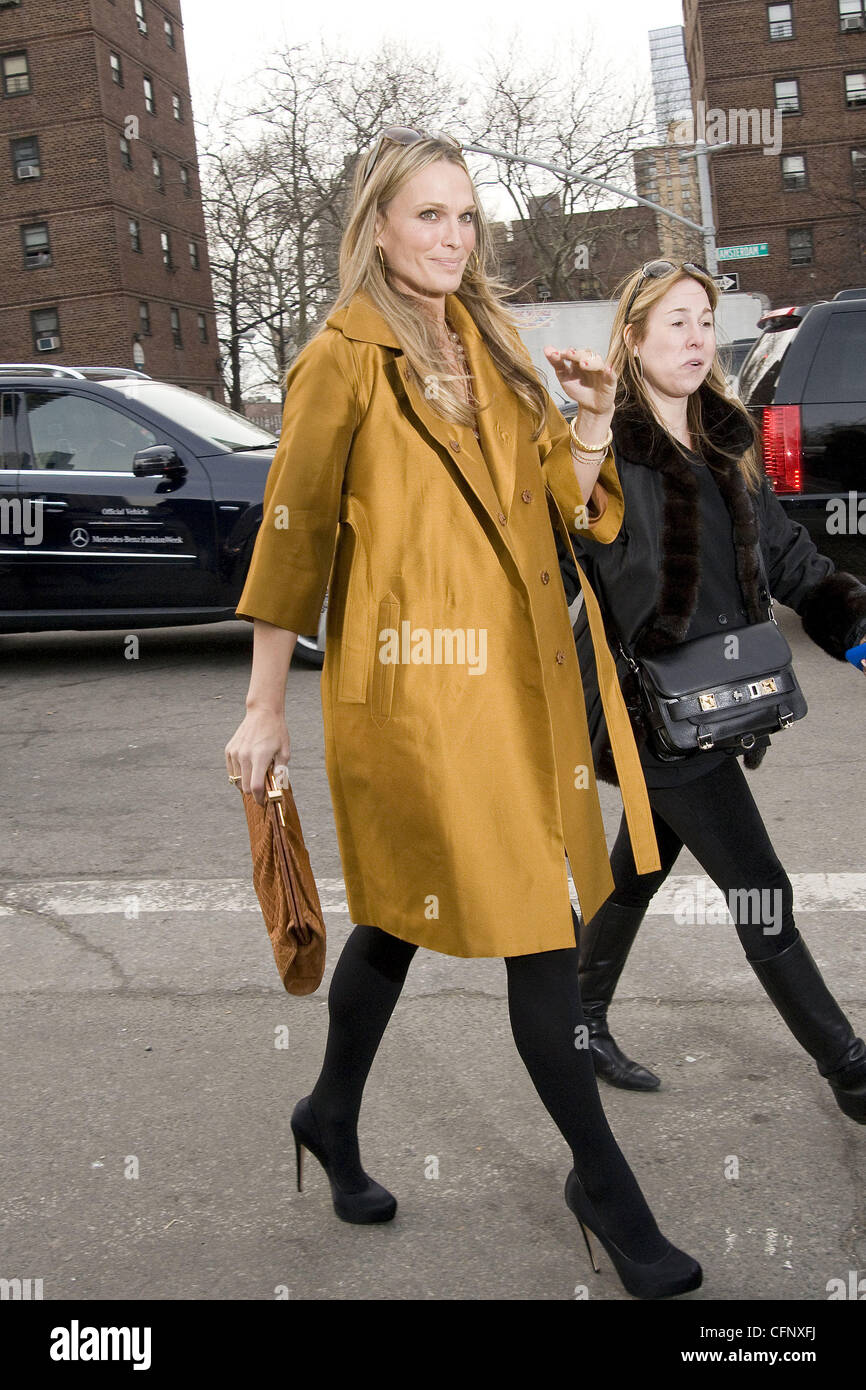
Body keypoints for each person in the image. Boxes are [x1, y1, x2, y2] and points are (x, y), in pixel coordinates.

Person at [225, 130, 702, 1299]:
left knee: (394, 918)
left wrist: (587, 420)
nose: (451, 238)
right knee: (537, 926)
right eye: (426, 215)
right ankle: (605, 1191)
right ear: (377, 226)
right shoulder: (340, 358)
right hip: (416, 704)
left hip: (521, 686)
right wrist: (260, 711)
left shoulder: (490, 343)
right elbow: (288, 536)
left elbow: (562, 502)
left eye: (465, 217)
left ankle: (327, 1112)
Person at [555, 259, 866, 1118]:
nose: (695, 338)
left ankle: (578, 1016)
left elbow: (790, 560)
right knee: (761, 882)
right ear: (633, 338)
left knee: (643, 861)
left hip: (709, 702)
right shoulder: (601, 445)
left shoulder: (725, 438)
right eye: (674, 322)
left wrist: (857, 629)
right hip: (638, 707)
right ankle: (850, 1070)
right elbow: (551, 541)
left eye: (703, 319)